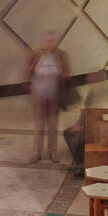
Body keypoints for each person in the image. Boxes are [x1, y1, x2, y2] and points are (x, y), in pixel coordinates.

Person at [24, 31, 70, 163]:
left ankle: (52, 151)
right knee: (39, 126)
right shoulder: (35, 55)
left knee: (53, 125)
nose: (50, 44)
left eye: (52, 41)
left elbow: (67, 72)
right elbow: (27, 71)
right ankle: (36, 152)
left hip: (54, 95)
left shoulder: (61, 55)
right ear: (43, 42)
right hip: (38, 95)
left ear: (56, 42)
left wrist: (63, 72)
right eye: (47, 41)